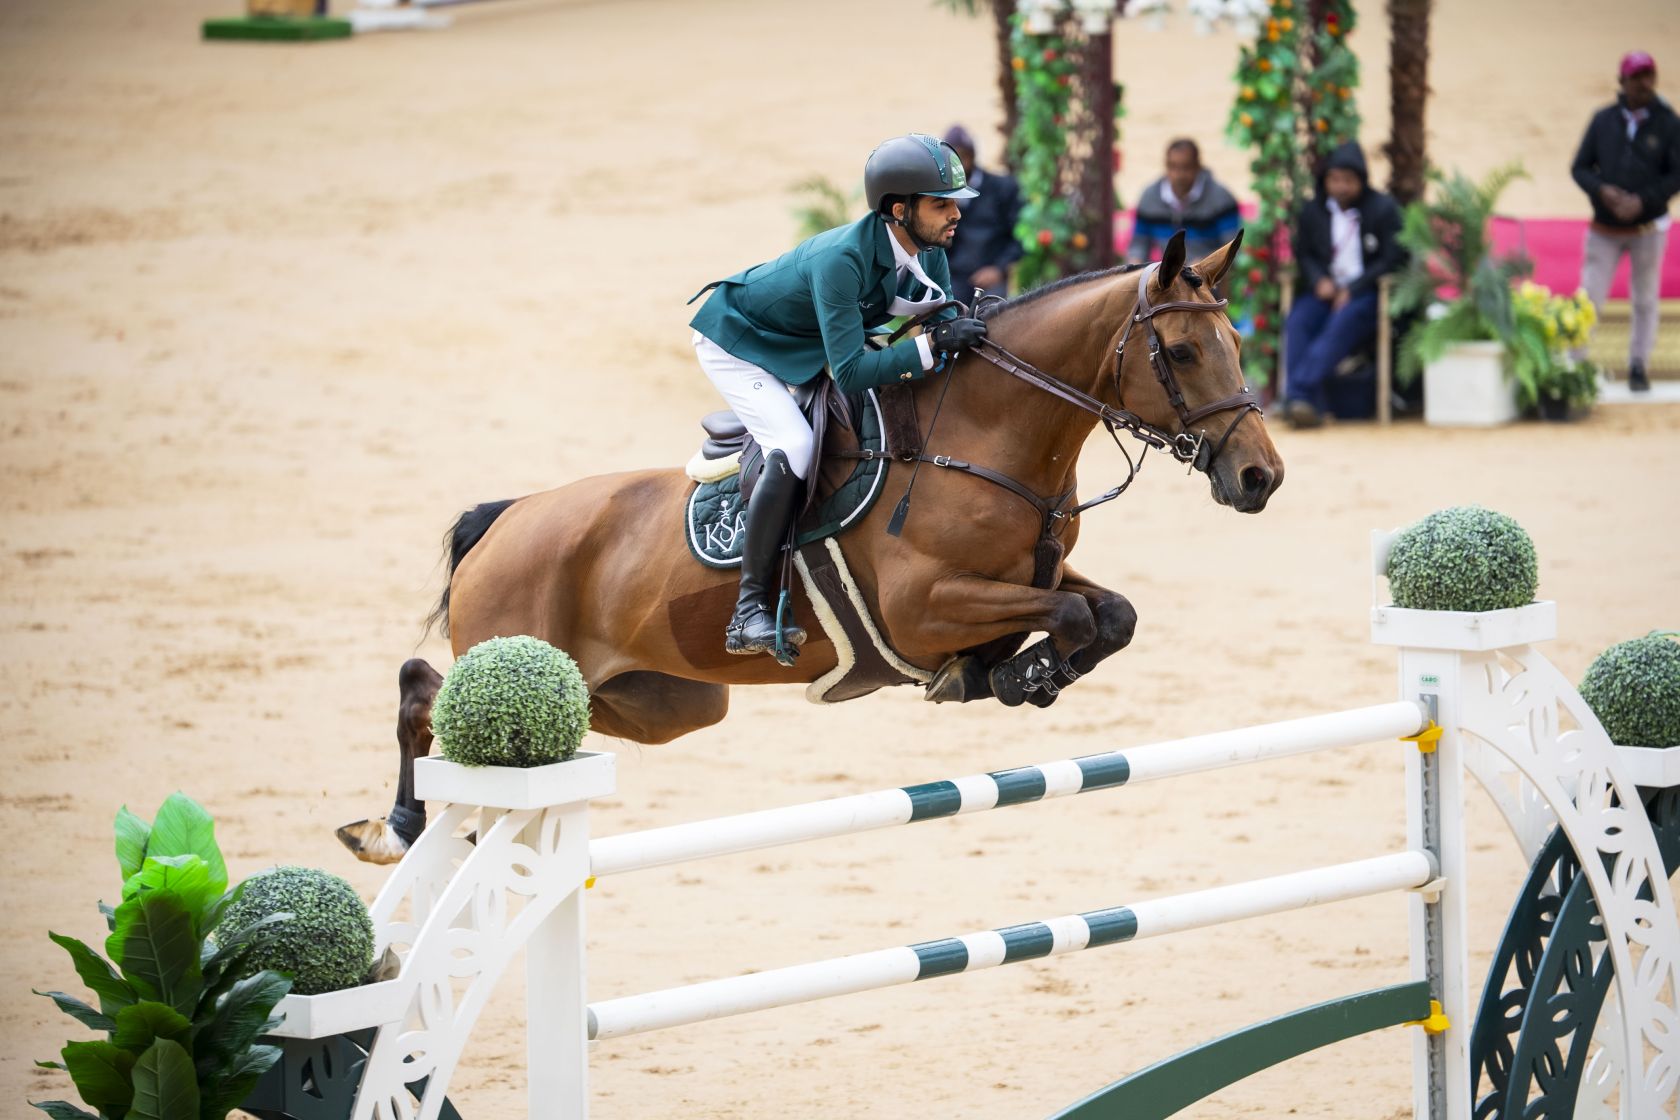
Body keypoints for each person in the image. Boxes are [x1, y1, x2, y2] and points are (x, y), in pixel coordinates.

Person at [688, 134, 989, 659]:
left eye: (955, 203)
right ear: (900, 209)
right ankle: (749, 610)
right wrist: (934, 342)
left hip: (802, 343)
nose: (955, 215)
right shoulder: (842, 260)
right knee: (795, 444)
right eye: (942, 203)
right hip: (738, 342)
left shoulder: (929, 252)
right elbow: (850, 371)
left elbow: (941, 319)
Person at [1570, 50, 1680, 393]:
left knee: (1646, 299)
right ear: (1623, 82)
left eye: (1649, 75)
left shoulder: (1668, 122)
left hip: (1647, 229)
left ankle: (1638, 365)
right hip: (1604, 230)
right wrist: (1604, 192)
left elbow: (1676, 174)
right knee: (1590, 297)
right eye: (1637, 77)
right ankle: (1574, 367)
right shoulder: (1603, 120)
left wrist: (1643, 200)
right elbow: (1579, 168)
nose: (1644, 83)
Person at [1280, 140, 1404, 428]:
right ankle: (1304, 402)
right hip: (1325, 291)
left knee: (1342, 322)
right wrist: (1318, 280)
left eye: (1348, 180)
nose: (1341, 187)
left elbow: (1393, 258)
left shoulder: (1383, 209)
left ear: (1361, 180)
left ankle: (1297, 396)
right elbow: (1305, 253)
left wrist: (1354, 288)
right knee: (1298, 320)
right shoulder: (1314, 211)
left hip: (1365, 294)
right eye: (1334, 180)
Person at [940, 124, 1024, 306]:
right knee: (941, 322)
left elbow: (1020, 235)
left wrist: (999, 268)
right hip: (952, 277)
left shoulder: (1002, 188)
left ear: (972, 155)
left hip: (991, 274)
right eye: (950, 160)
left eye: (962, 156)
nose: (958, 165)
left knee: (993, 322)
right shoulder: (939, 194)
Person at [1126, 138, 1242, 266]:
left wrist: (1204, 264)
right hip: (1167, 279)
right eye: (1173, 167)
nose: (1179, 175)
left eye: (1186, 168)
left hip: (1208, 279)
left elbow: (1233, 250)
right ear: (1166, 166)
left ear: (1198, 166)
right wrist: (1134, 265)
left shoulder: (1221, 199)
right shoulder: (1150, 198)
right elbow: (1139, 245)